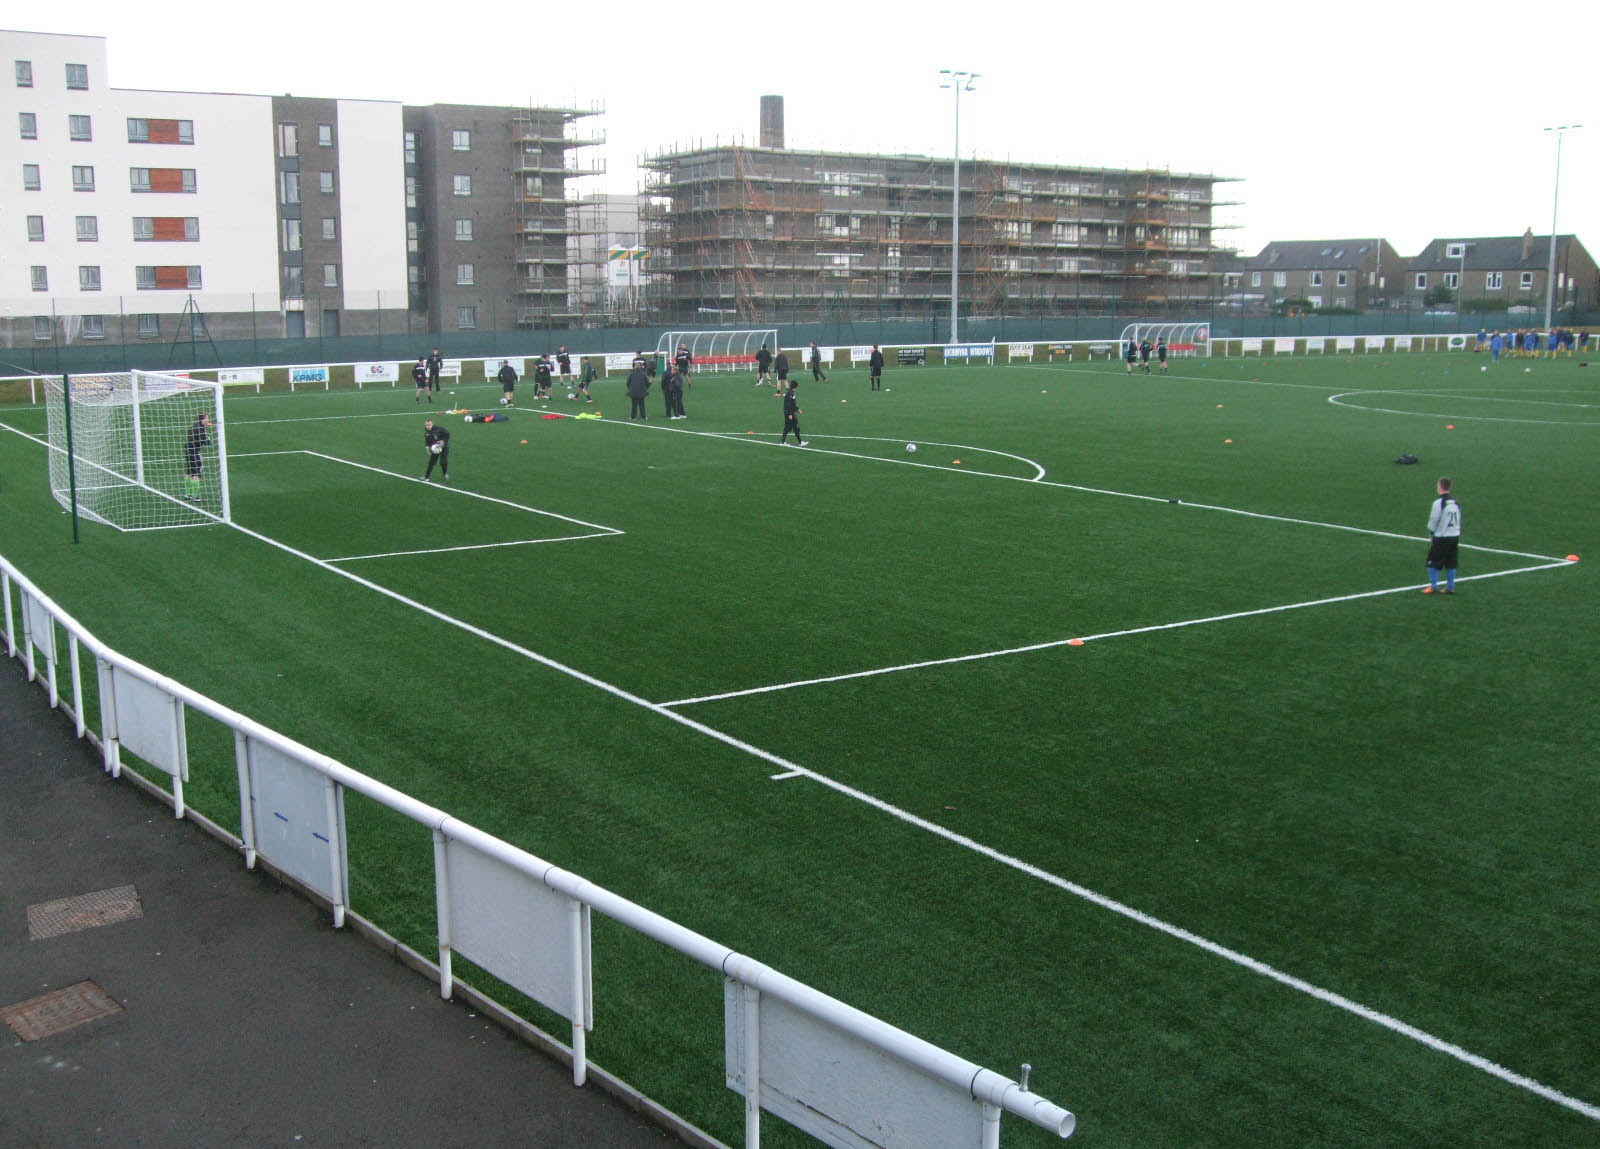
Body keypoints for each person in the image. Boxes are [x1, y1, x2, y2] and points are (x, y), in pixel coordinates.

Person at [1424, 476, 1461, 595]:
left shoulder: (1438, 503)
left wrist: (1431, 534)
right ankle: (1450, 587)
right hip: (1454, 536)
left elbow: (1434, 520)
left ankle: (1433, 586)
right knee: (1451, 562)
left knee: (1432, 561)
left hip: (1441, 537)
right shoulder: (1456, 503)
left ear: (1440, 487)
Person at [184, 411, 212, 500]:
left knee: (189, 472)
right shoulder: (201, 429)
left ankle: (188, 494)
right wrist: (208, 439)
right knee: (197, 473)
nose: (208, 419)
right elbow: (207, 442)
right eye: (207, 418)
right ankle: (195, 496)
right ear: (202, 419)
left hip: (188, 450)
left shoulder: (194, 426)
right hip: (195, 452)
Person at [422, 418, 450, 482]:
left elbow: (447, 434)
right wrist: (427, 449)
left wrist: (443, 441)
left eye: (429, 425)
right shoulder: (426, 431)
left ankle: (445, 474)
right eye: (426, 425)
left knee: (443, 462)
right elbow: (427, 441)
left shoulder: (439, 429)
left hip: (444, 447)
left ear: (432, 424)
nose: (428, 426)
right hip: (434, 448)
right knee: (431, 462)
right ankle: (426, 476)